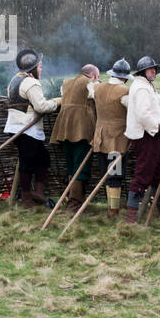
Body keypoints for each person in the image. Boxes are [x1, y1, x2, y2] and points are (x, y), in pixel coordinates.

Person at [4, 48, 60, 209]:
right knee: (27, 163)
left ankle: (39, 193)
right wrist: (57, 102)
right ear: (33, 69)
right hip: (26, 129)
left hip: (16, 127)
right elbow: (41, 106)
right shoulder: (31, 82)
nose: (41, 69)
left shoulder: (14, 80)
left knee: (43, 158)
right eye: (39, 67)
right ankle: (27, 199)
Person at [50, 65, 99, 211]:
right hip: (81, 129)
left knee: (72, 165)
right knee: (80, 166)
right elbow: (99, 97)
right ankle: (74, 203)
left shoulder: (67, 82)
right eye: (97, 76)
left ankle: (75, 201)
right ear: (92, 75)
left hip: (64, 128)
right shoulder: (90, 83)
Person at [124, 56, 160, 222]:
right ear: (143, 71)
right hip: (146, 136)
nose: (153, 71)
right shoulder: (141, 88)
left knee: (158, 173)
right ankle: (131, 217)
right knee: (143, 175)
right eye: (150, 69)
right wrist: (158, 129)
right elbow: (143, 114)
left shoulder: (146, 86)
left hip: (151, 136)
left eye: (154, 69)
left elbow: (158, 102)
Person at [92, 58, 132, 218]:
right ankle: (113, 211)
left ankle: (111, 207)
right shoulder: (124, 91)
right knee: (116, 175)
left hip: (100, 137)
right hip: (117, 139)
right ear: (124, 77)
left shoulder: (97, 87)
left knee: (106, 174)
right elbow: (134, 109)